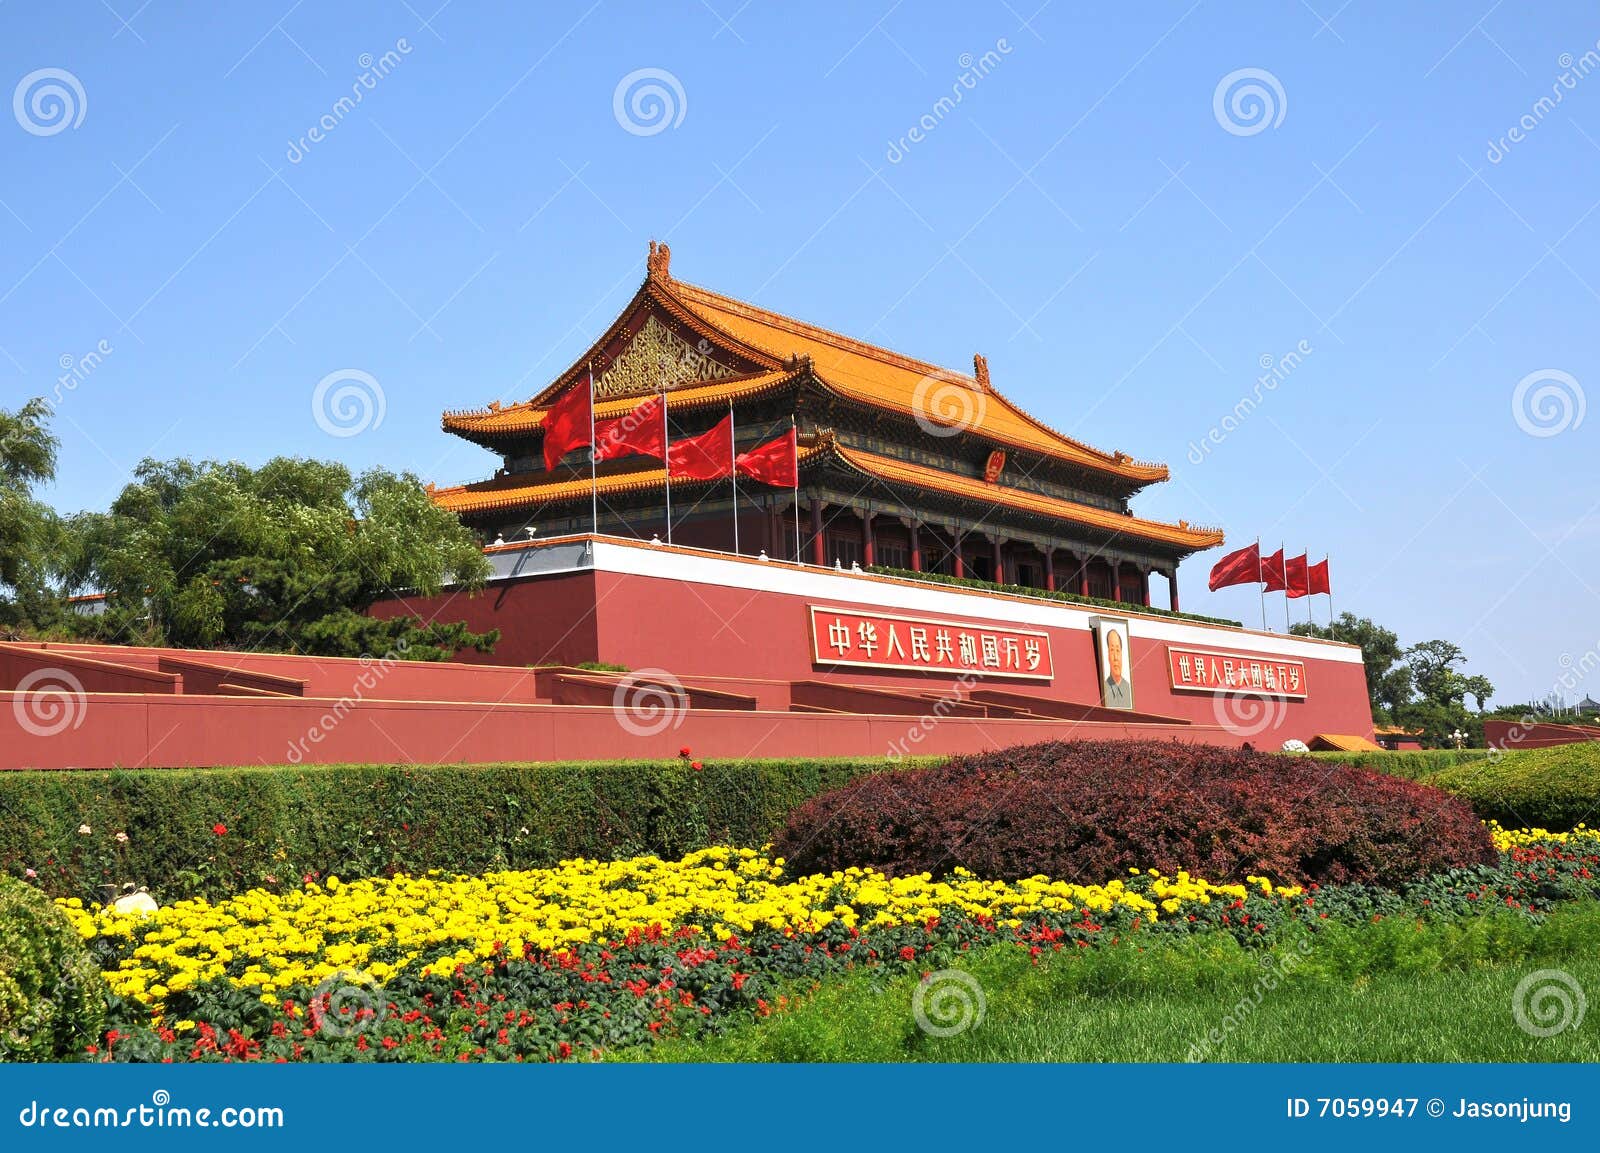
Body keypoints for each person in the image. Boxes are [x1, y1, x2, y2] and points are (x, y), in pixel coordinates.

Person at [1102, 626, 1132, 708]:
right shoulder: (1104, 687)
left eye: (1118, 651)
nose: (1115, 657)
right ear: (1107, 655)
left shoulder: (1128, 688)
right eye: (1112, 650)